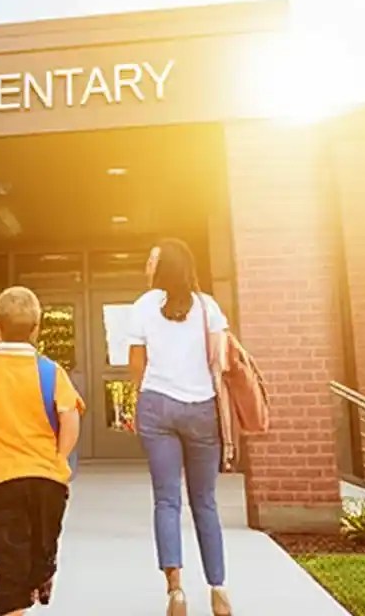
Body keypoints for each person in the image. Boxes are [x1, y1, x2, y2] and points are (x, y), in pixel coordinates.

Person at [0, 287, 84, 616]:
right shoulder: (52, 372)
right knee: (43, 547)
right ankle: (42, 574)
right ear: (37, 328)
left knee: (10, 569)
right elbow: (70, 417)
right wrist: (59, 459)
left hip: (5, 481)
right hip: (49, 480)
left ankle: (24, 591)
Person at [126, 238, 234, 616]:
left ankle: (176, 591)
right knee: (205, 501)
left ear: (161, 268)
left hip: (158, 407)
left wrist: (136, 403)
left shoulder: (142, 306)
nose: (146, 264)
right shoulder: (208, 307)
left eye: (151, 259)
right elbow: (220, 361)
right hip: (201, 409)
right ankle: (219, 591)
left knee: (166, 500)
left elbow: (137, 365)